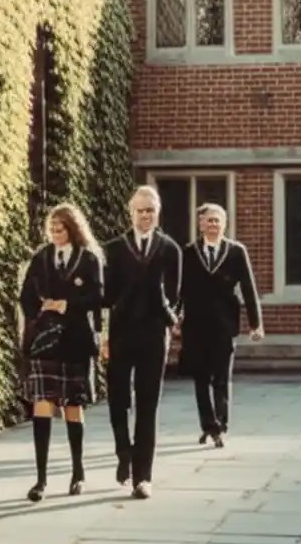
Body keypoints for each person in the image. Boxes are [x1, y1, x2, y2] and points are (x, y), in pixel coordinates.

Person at [17, 203, 104, 502]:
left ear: (73, 229)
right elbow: (25, 296)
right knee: (42, 403)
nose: (55, 234)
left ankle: (77, 472)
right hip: (45, 340)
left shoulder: (89, 259)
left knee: (72, 406)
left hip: (76, 340)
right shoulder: (40, 258)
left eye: (60, 229)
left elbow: (98, 296)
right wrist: (41, 308)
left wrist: (70, 305)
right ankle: (40, 479)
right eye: (51, 229)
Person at [101, 186, 182, 499]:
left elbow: (177, 297)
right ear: (130, 212)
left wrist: (169, 317)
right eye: (140, 210)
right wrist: (104, 334)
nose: (145, 215)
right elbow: (105, 296)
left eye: (150, 210)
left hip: (152, 335)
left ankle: (142, 476)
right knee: (118, 402)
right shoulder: (115, 249)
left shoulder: (169, 249)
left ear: (157, 212)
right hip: (121, 333)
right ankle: (125, 454)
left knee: (148, 405)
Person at [177, 203, 263, 449]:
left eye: (217, 221)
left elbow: (248, 288)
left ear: (224, 224)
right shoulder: (189, 252)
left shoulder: (236, 251)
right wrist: (174, 318)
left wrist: (256, 324)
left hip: (225, 324)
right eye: (209, 220)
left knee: (222, 378)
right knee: (200, 378)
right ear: (200, 224)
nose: (213, 225)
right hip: (195, 324)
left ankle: (220, 425)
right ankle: (208, 425)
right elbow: (180, 290)